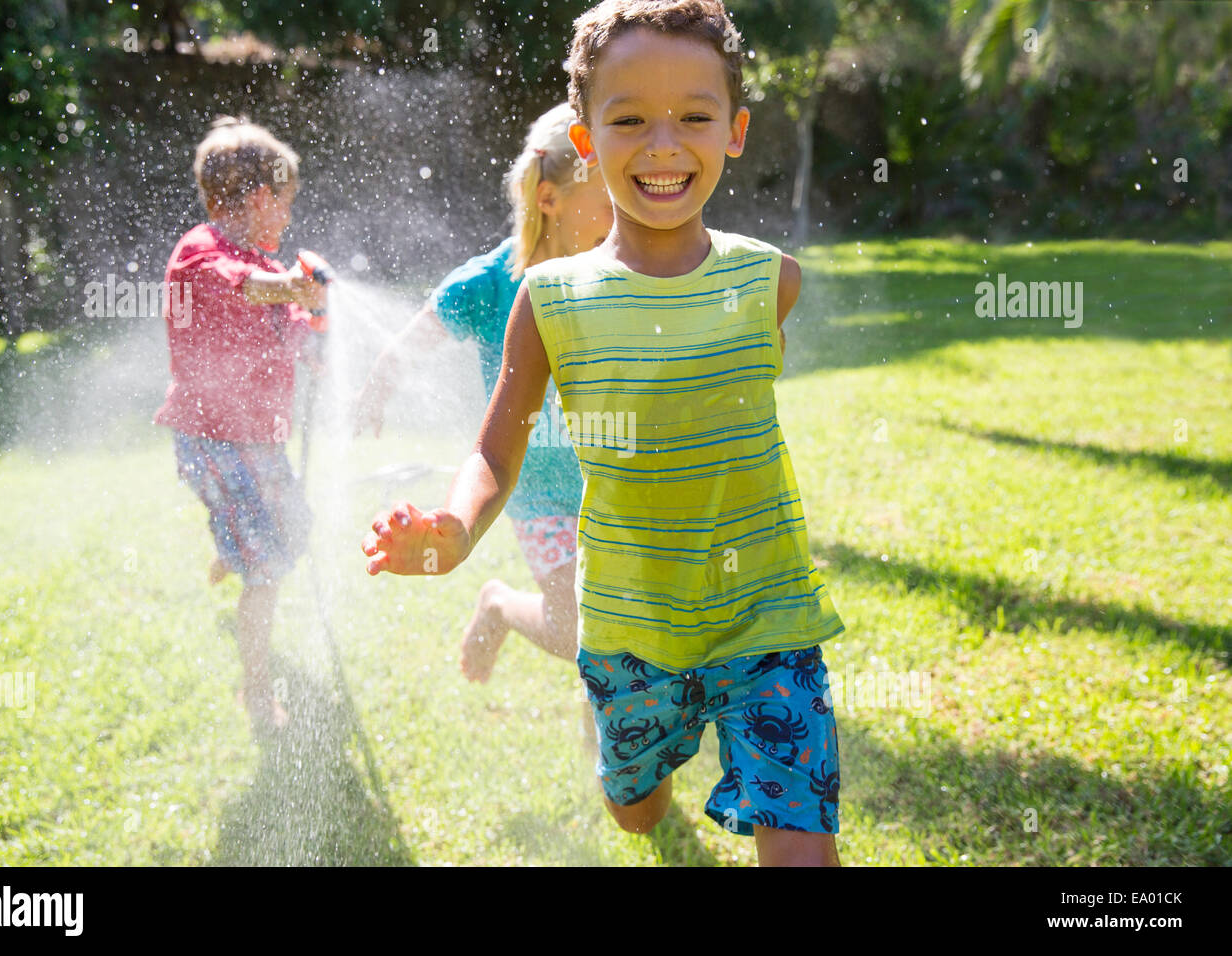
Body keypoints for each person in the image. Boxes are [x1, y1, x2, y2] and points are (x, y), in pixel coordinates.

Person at [360, 0, 845, 866]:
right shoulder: (547, 301)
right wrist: (456, 530)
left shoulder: (769, 280)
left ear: (735, 130)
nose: (663, 145)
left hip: (766, 619)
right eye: (629, 120)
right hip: (629, 631)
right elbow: (492, 450)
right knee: (637, 813)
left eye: (694, 117)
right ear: (584, 138)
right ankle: (637, 772)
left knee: (803, 848)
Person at [354, 104, 612, 683]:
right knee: (578, 633)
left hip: (614, 482)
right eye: (607, 201)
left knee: (615, 633)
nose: (622, 217)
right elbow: (412, 333)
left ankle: (607, 742)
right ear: (549, 199)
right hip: (538, 492)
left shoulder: (613, 272)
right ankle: (499, 605)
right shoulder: (490, 282)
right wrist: (379, 384)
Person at [154, 116, 330, 735]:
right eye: (284, 204)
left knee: (292, 529)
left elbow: (294, 331)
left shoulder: (260, 263)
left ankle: (232, 548)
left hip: (257, 443)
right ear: (259, 198)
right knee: (270, 567)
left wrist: (318, 322)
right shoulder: (202, 254)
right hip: (217, 443)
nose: (285, 217)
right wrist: (289, 285)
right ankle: (257, 694)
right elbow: (245, 289)